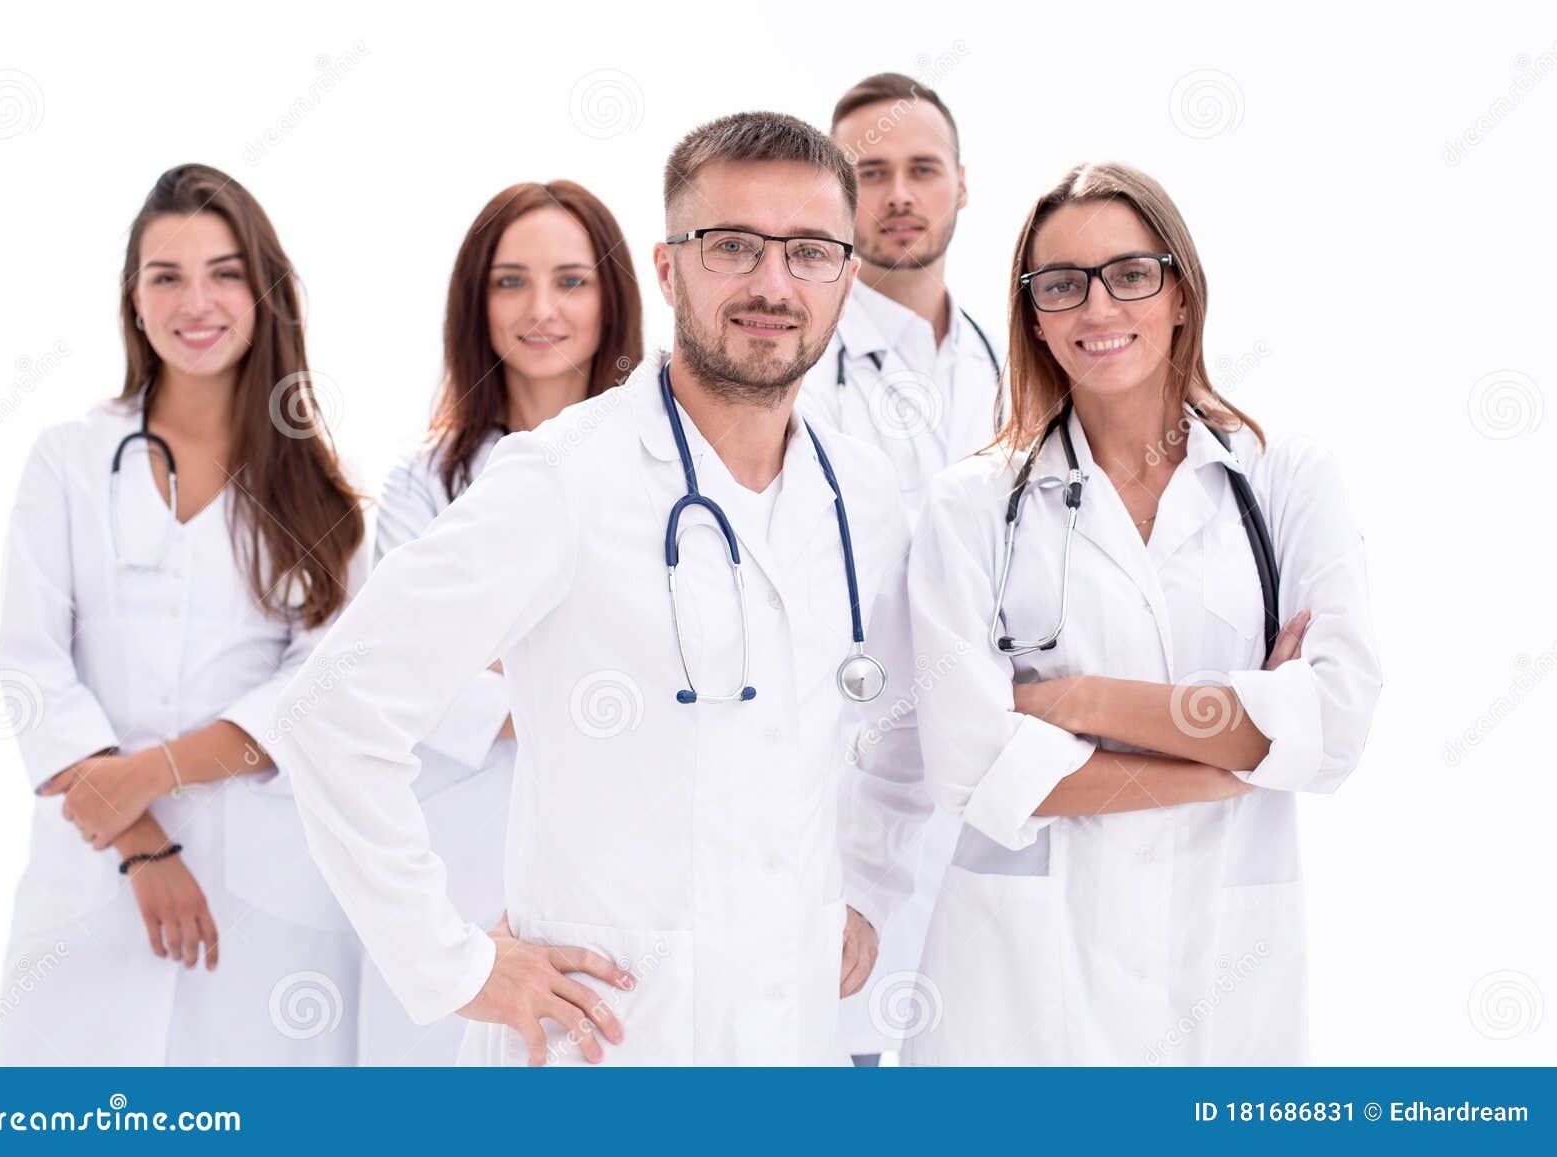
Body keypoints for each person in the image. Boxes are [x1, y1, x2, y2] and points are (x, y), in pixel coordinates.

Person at [274, 112, 928, 1066]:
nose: (773, 284)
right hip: (607, 1049)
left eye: (811, 252)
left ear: (848, 274)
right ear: (667, 271)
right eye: (733, 246)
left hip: (790, 1042)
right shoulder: (563, 477)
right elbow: (330, 714)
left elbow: (902, 725)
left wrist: (868, 885)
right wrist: (454, 965)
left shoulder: (862, 493)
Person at [903, 162, 1382, 1064]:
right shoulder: (969, 506)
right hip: (1017, 995)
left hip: (1224, 966)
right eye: (1062, 285)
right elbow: (972, 768)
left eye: (1130, 274)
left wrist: (1076, 702)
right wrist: (1231, 755)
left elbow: (1336, 727)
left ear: (1180, 295)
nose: (1097, 307)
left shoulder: (1284, 480)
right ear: (1036, 318)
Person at [0, 164, 368, 1065]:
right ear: (134, 300)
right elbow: (31, 669)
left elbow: (318, 696)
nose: (196, 301)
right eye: (167, 276)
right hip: (94, 884)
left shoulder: (320, 495)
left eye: (225, 272)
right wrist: (144, 846)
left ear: (263, 291)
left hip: (266, 905)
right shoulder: (70, 460)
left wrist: (155, 768)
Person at [359, 179, 643, 1065]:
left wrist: (506, 673)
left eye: (570, 280)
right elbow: (408, 682)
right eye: (510, 282)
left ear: (612, 300)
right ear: (475, 305)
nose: (541, 309)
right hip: (453, 853)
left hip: (617, 856)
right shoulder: (422, 485)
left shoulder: (662, 479)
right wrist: (592, 683)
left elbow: (675, 671)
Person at [799, 71, 1003, 1063]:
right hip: (842, 819)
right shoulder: (790, 372)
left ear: (963, 184)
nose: (898, 195)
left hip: (996, 809)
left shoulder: (1015, 369)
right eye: (867, 173)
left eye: (921, 169)